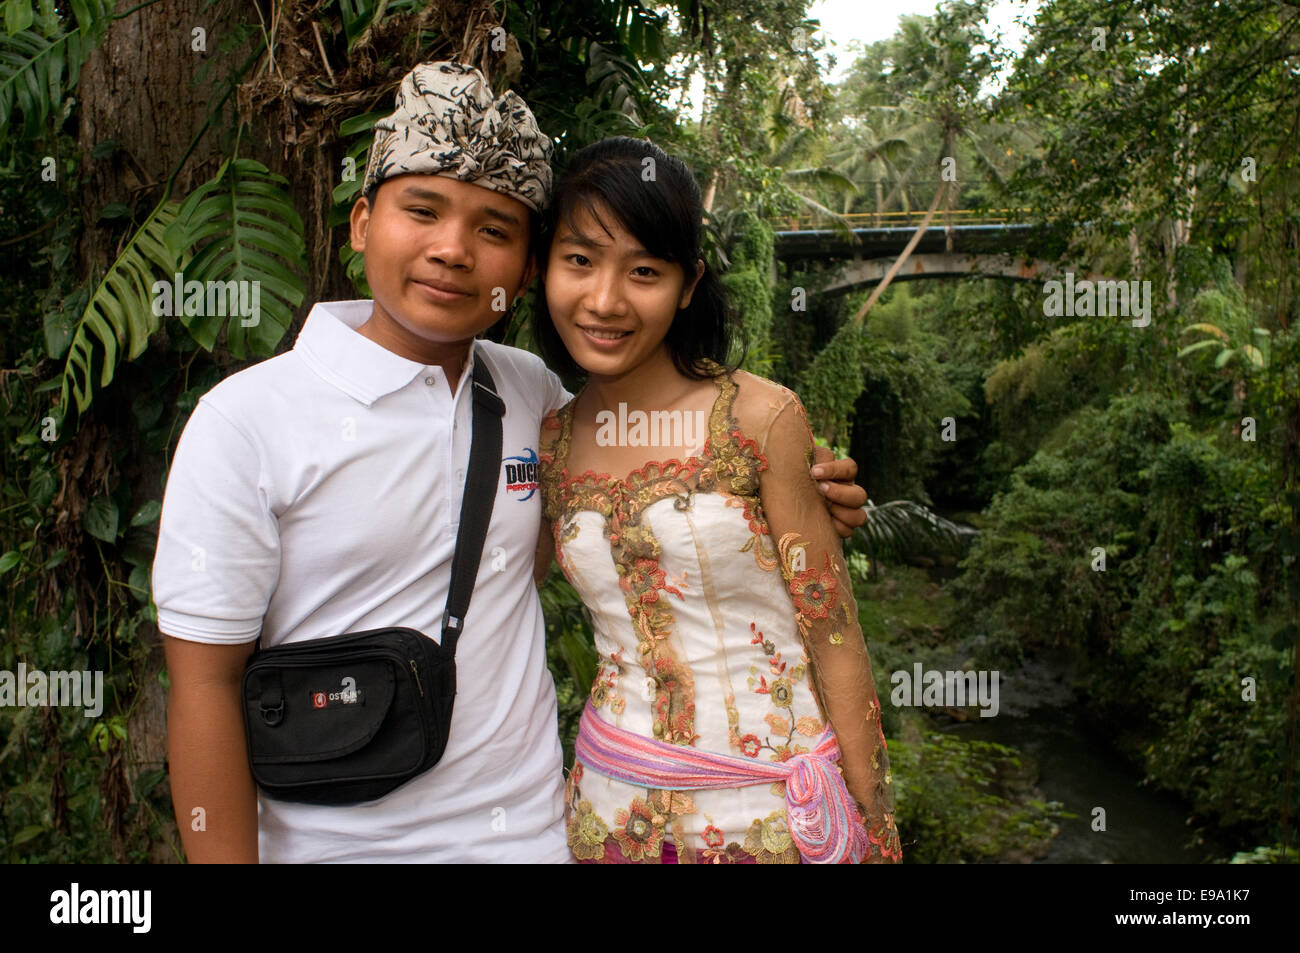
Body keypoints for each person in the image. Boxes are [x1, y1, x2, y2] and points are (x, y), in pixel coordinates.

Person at [153, 62, 869, 863]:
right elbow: (205, 686)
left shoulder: (533, 395)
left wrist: (804, 491)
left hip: (532, 837)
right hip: (330, 847)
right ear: (360, 223)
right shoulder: (245, 423)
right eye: (421, 210)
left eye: (494, 229)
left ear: (526, 266)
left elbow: (664, 480)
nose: (452, 250)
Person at [534, 137, 902, 864]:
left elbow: (835, 636)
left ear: (689, 282)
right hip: (608, 818)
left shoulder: (762, 420)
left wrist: (880, 827)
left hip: (778, 821)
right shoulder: (546, 440)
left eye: (644, 271)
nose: (604, 300)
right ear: (543, 265)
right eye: (578, 260)